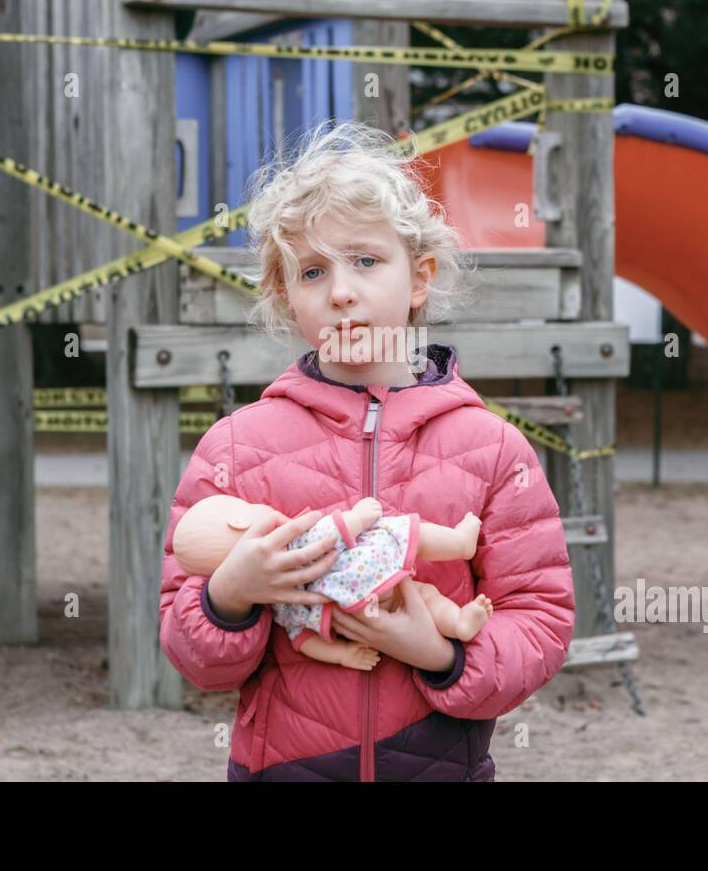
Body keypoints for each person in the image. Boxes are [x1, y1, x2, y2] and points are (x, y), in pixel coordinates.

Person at [158, 118, 575, 781]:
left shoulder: (493, 447)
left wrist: (442, 655)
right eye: (313, 271)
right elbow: (194, 654)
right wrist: (232, 592)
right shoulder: (237, 446)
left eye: (366, 261)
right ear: (285, 295)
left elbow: (540, 619)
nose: (341, 291)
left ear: (419, 278)